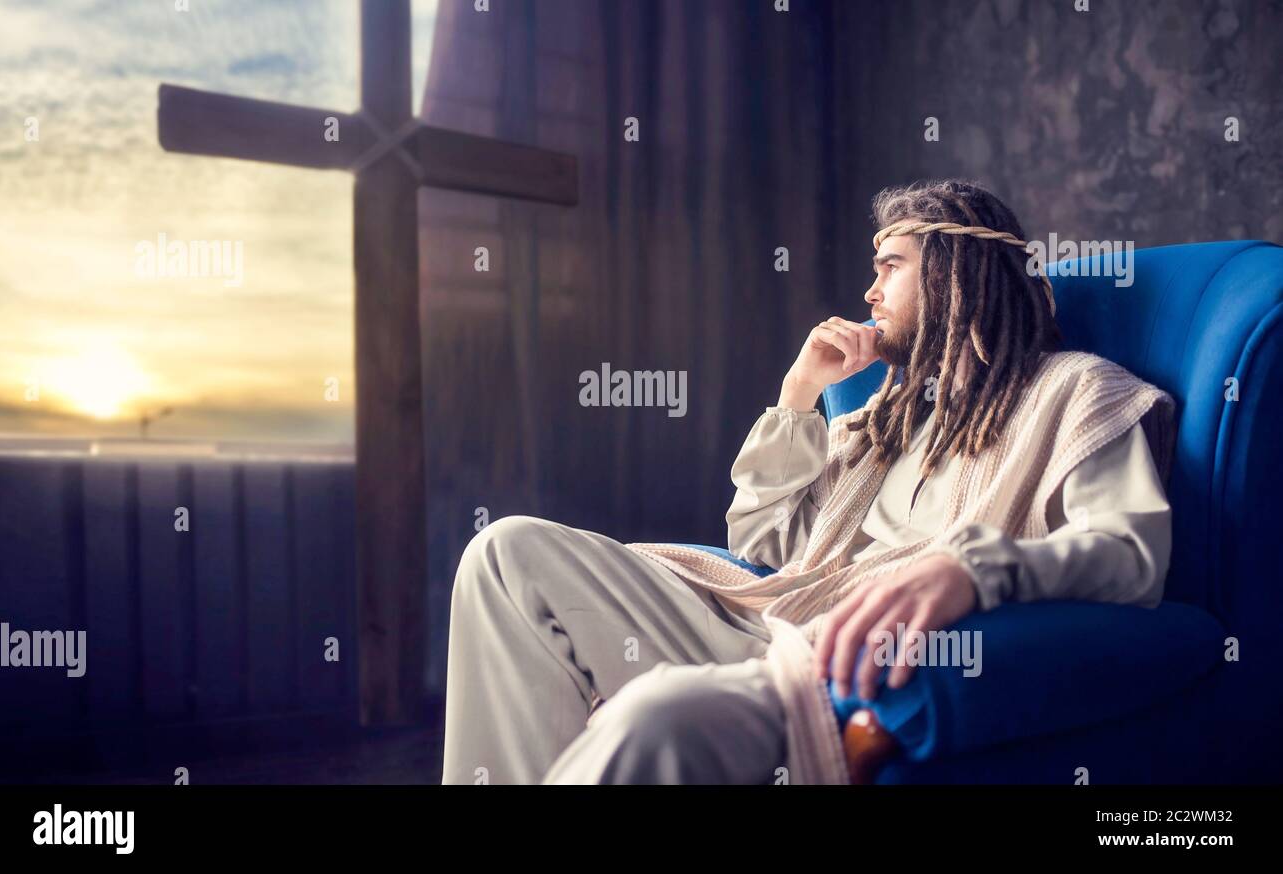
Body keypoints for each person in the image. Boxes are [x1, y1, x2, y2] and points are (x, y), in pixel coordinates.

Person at [439, 179, 1175, 785]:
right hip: (767, 616)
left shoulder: (1074, 392)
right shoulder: (889, 416)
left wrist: (969, 569)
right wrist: (798, 398)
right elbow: (766, 546)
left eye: (891, 264)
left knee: (653, 715)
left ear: (955, 272)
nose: (870, 287)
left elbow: (1129, 555)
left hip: (836, 656)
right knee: (505, 556)